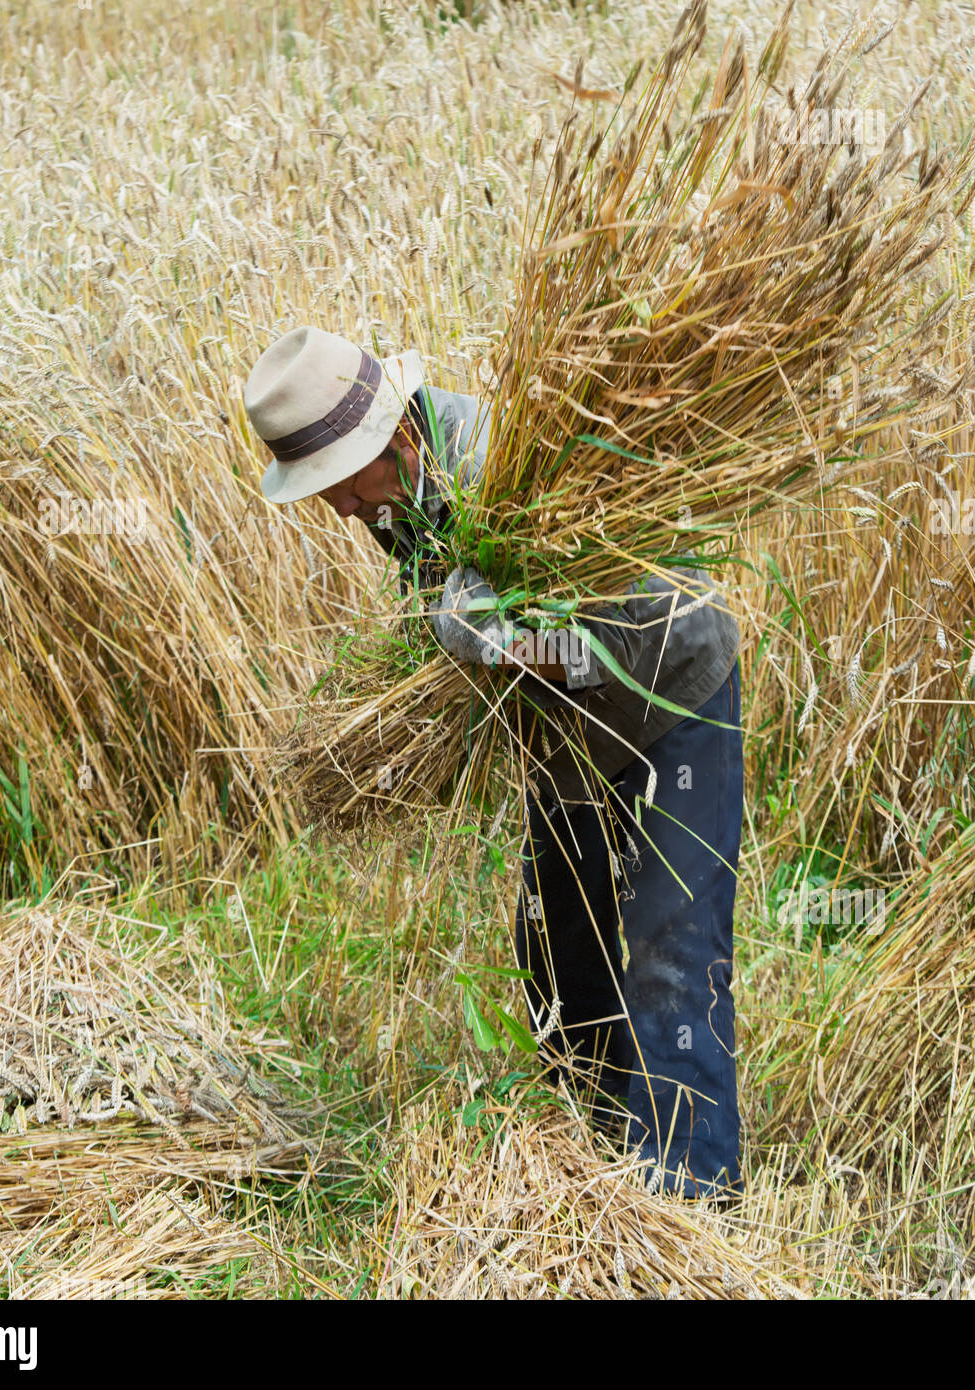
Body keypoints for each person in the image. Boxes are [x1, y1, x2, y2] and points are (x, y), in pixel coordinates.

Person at [244, 327, 745, 1203]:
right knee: (557, 947)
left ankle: (688, 1205)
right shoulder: (395, 493)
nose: (340, 511)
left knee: (671, 946)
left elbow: (625, 636)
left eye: (339, 486)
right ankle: (596, 1172)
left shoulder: (509, 477)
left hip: (669, 688)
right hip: (564, 731)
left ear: (393, 438)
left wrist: (508, 648)